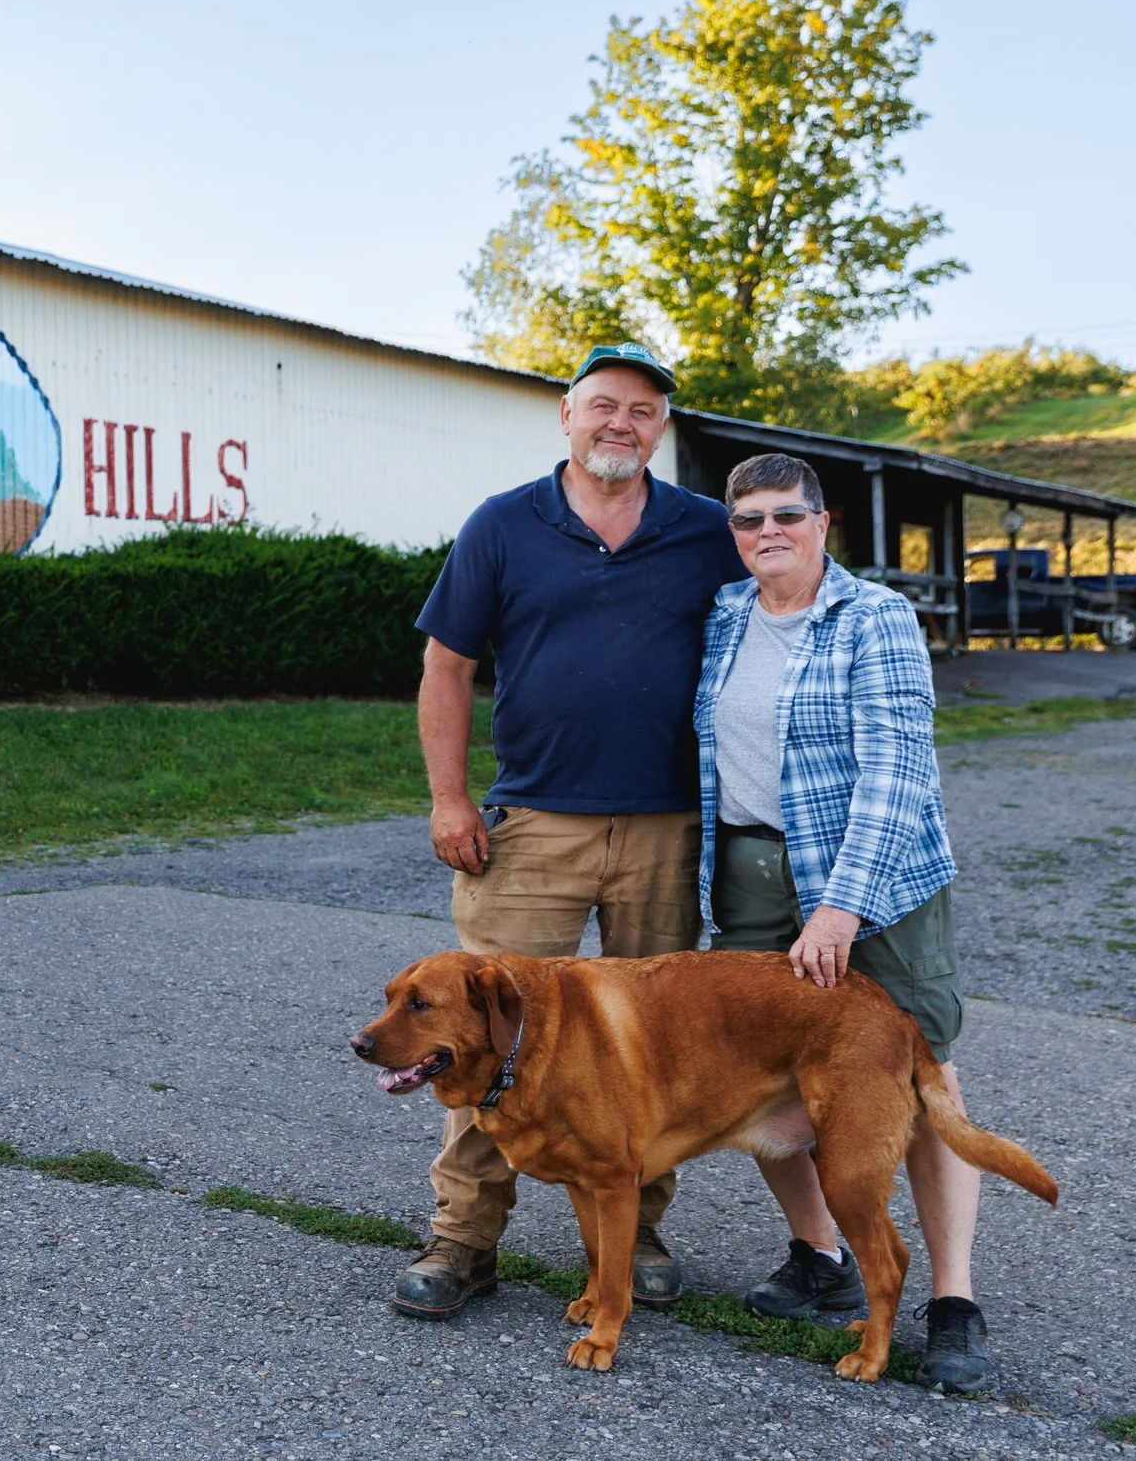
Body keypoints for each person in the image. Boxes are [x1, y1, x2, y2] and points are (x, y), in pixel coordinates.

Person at [401, 342, 750, 1320]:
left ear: (661, 429)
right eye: (602, 405)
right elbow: (445, 666)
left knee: (654, 1046)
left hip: (668, 828)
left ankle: (631, 1229)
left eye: (642, 411)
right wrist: (448, 797)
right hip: (534, 826)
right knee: (481, 1039)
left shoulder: (705, 530)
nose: (620, 424)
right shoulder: (503, 525)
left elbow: (787, 610)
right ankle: (461, 1241)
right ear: (565, 414)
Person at [694, 451, 996, 1394]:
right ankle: (819, 1257)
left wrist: (841, 905)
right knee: (765, 1077)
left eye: (788, 515)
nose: (768, 532)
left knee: (917, 1071)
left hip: (878, 881)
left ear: (825, 524)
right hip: (749, 876)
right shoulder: (725, 616)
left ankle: (952, 1303)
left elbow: (898, 771)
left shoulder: (878, 619)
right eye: (749, 520)